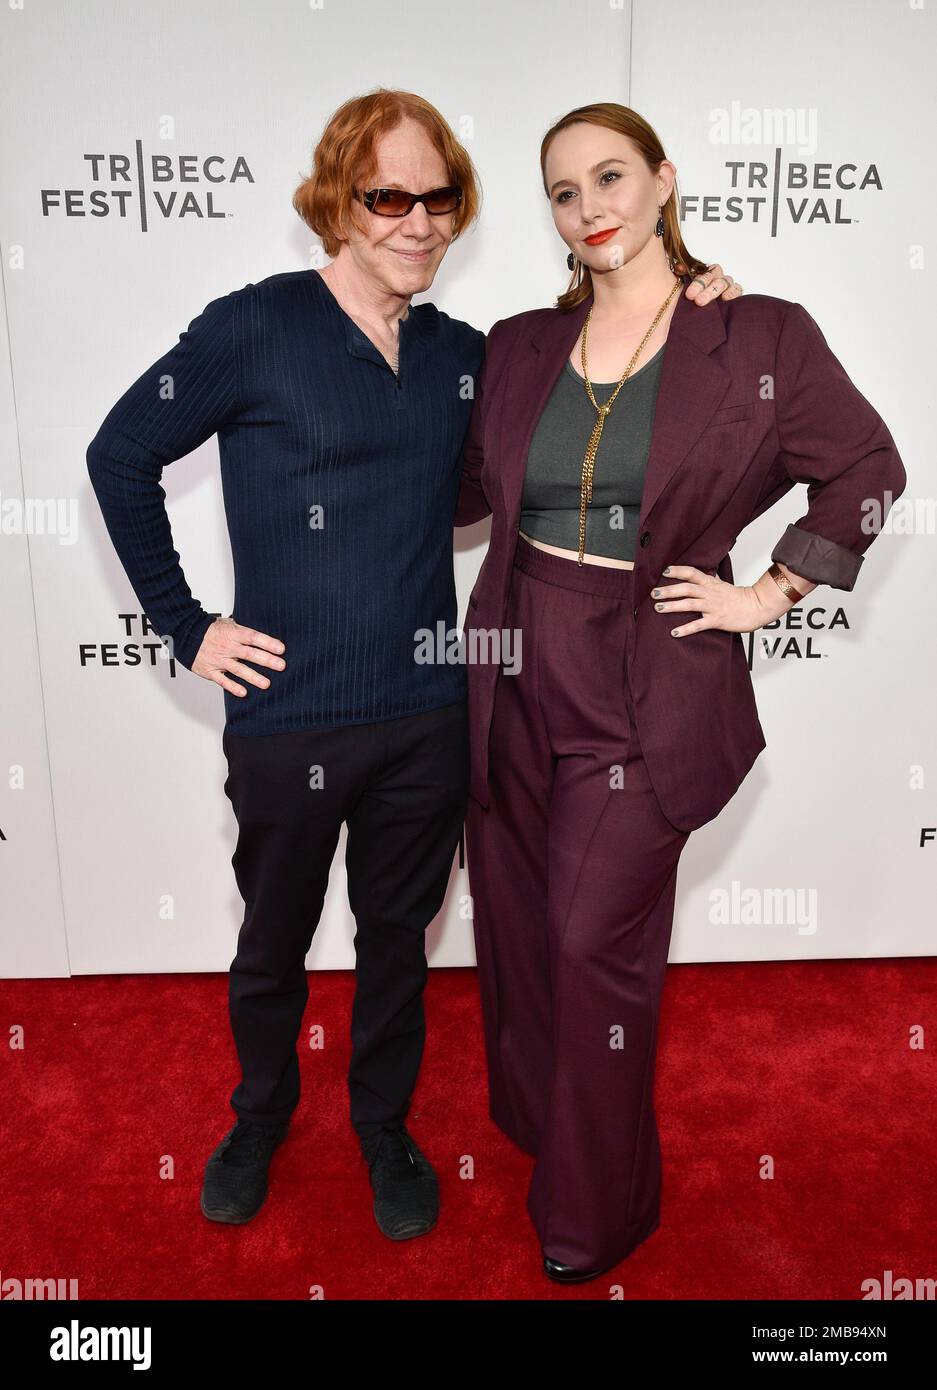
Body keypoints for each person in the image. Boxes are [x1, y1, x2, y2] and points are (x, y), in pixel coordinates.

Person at [85, 88, 741, 1245]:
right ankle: (259, 1116)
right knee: (271, 940)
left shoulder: (467, 356)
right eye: (389, 195)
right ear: (339, 202)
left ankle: (383, 1127)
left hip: (433, 709)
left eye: (440, 198)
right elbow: (119, 452)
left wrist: (700, 301)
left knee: (400, 941)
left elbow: (594, 378)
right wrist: (186, 625)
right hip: (287, 713)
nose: (418, 221)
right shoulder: (254, 326)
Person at [455, 102, 906, 1283]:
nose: (590, 206)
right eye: (563, 192)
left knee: (586, 937)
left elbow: (866, 467)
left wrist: (768, 592)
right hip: (511, 655)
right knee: (515, 925)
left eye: (610, 177)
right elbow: (452, 489)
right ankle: (549, 1127)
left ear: (660, 181)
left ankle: (594, 1213)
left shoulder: (755, 335)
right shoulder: (513, 346)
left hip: (644, 671)